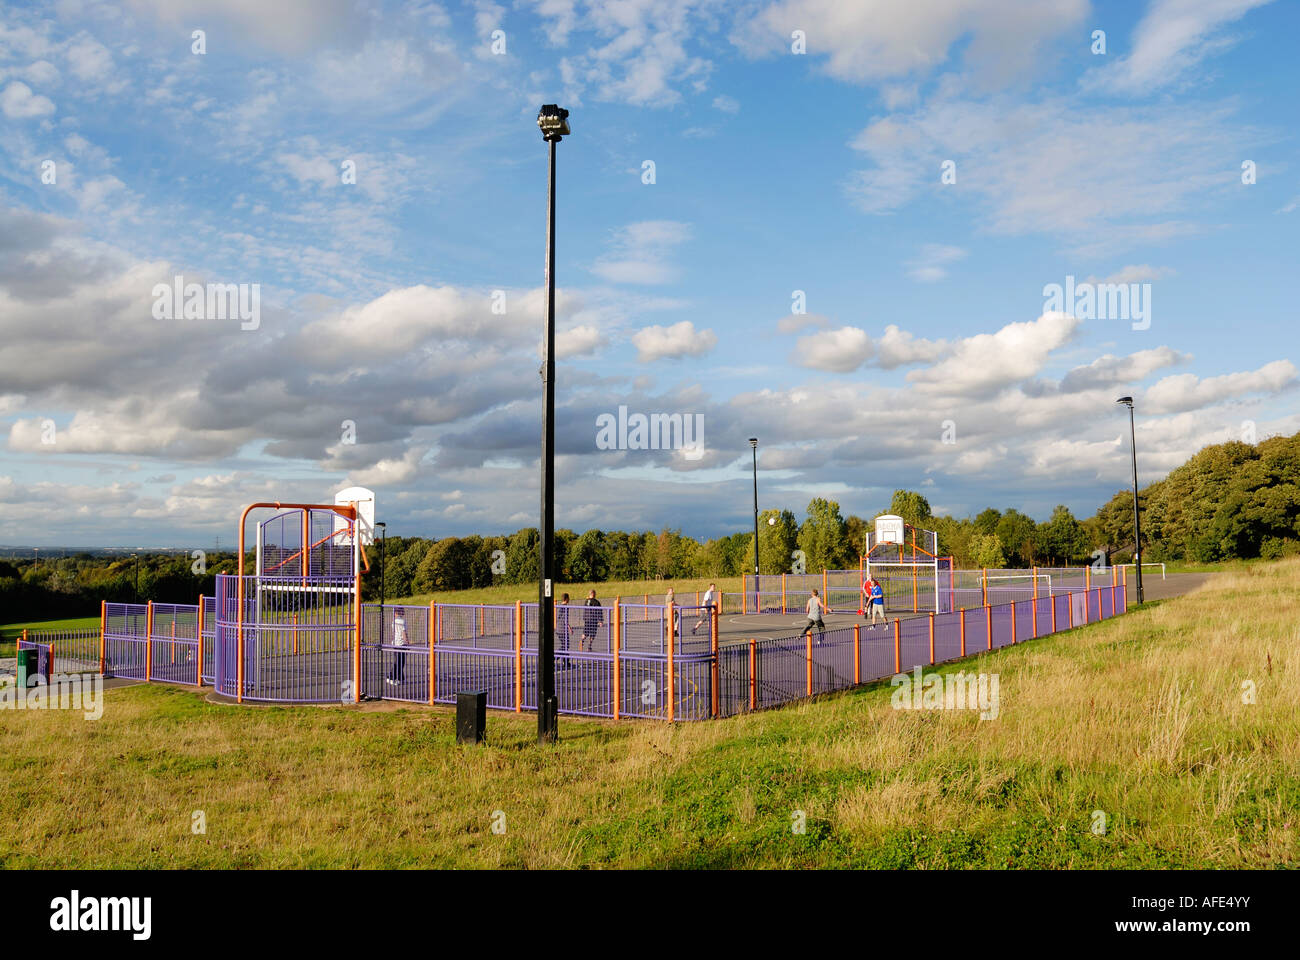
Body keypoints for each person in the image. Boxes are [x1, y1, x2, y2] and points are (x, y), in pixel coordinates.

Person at [385, 606, 408, 686]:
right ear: (400, 612)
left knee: (398, 661)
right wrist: (407, 642)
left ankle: (400, 678)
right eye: (403, 610)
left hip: (395, 643)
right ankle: (390, 677)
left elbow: (394, 632)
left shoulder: (394, 621)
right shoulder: (402, 621)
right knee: (400, 662)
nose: (404, 611)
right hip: (401, 644)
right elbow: (403, 633)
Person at [557, 593, 572, 667]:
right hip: (563, 629)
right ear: (566, 599)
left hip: (559, 629)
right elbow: (565, 620)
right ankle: (555, 657)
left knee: (565, 645)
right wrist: (569, 628)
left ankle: (566, 661)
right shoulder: (565, 607)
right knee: (565, 645)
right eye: (568, 598)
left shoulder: (559, 606)